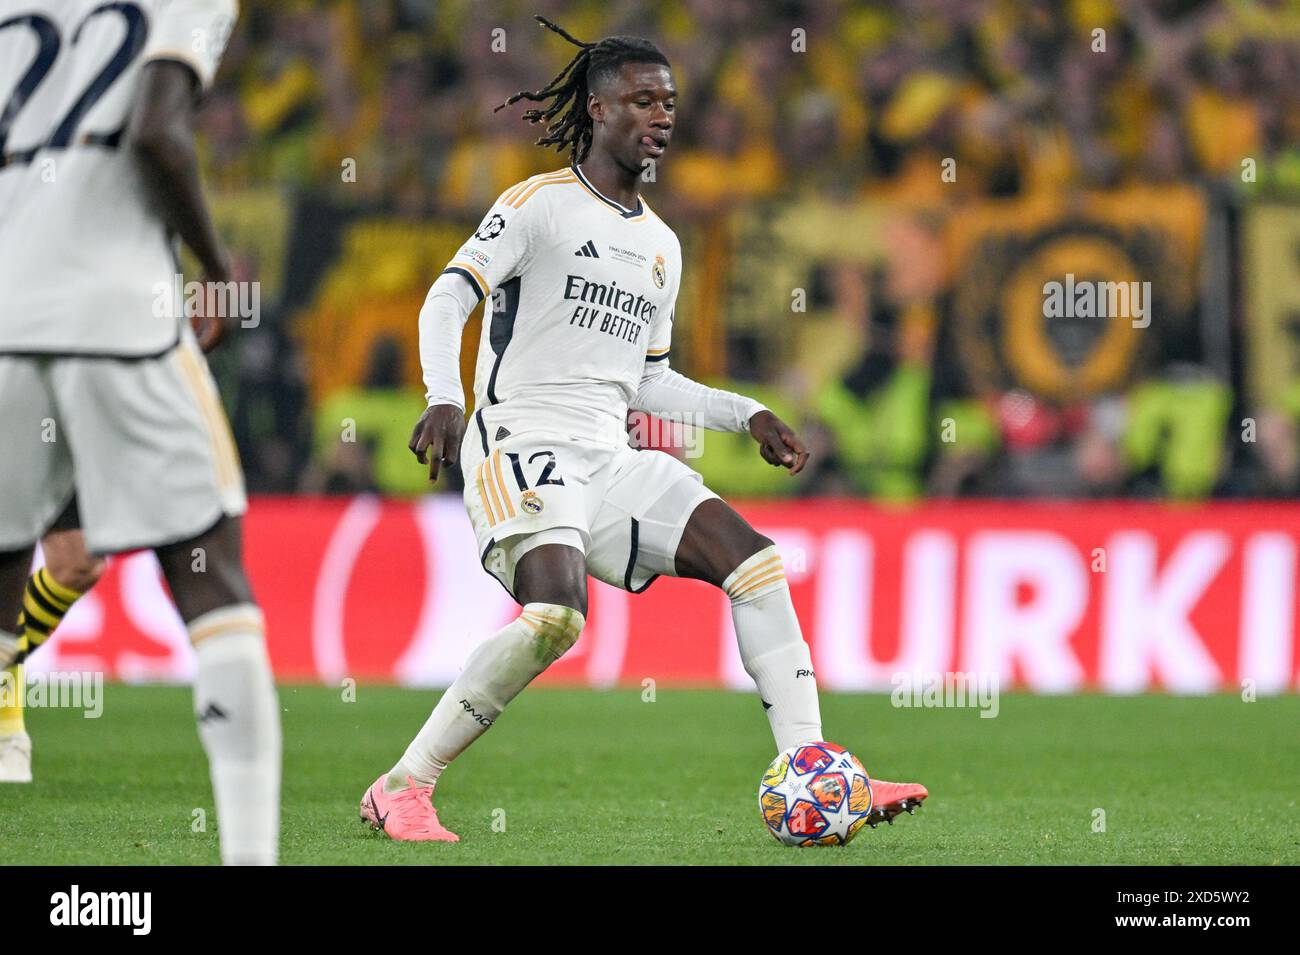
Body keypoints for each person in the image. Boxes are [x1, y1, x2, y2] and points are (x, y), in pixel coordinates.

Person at [359, 17, 927, 842]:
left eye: (669, 102)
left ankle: (815, 766)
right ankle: (403, 785)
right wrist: (443, 394)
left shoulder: (660, 245)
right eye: (642, 100)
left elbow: (649, 378)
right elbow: (449, 295)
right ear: (596, 109)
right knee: (555, 615)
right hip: (521, 438)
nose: (662, 116)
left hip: (609, 453)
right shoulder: (538, 205)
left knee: (756, 562)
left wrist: (747, 413)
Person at [0, 0, 280, 864]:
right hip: (120, 310)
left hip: (6, 314)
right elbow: (159, 129)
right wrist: (213, 262)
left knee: (32, 566)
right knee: (213, 576)